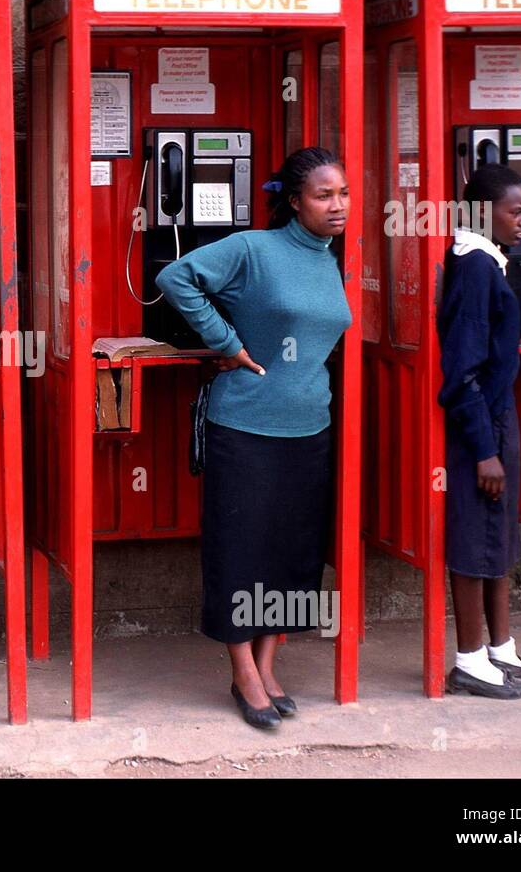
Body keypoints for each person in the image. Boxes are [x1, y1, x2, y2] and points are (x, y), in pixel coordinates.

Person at [156, 147, 352, 730]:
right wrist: (226, 343)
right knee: (241, 550)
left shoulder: (329, 258)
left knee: (295, 554)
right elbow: (175, 277)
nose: (337, 204)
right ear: (294, 202)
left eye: (342, 193)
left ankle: (269, 664)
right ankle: (242, 670)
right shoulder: (253, 249)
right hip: (245, 428)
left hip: (310, 427)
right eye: (323, 195)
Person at [436, 163, 521, 700]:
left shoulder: (487, 259)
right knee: (475, 536)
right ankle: (470, 658)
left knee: (499, 531)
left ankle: (498, 647)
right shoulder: (473, 266)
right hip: (481, 422)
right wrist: (484, 449)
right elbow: (463, 367)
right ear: (482, 211)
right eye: (515, 211)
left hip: (497, 415)